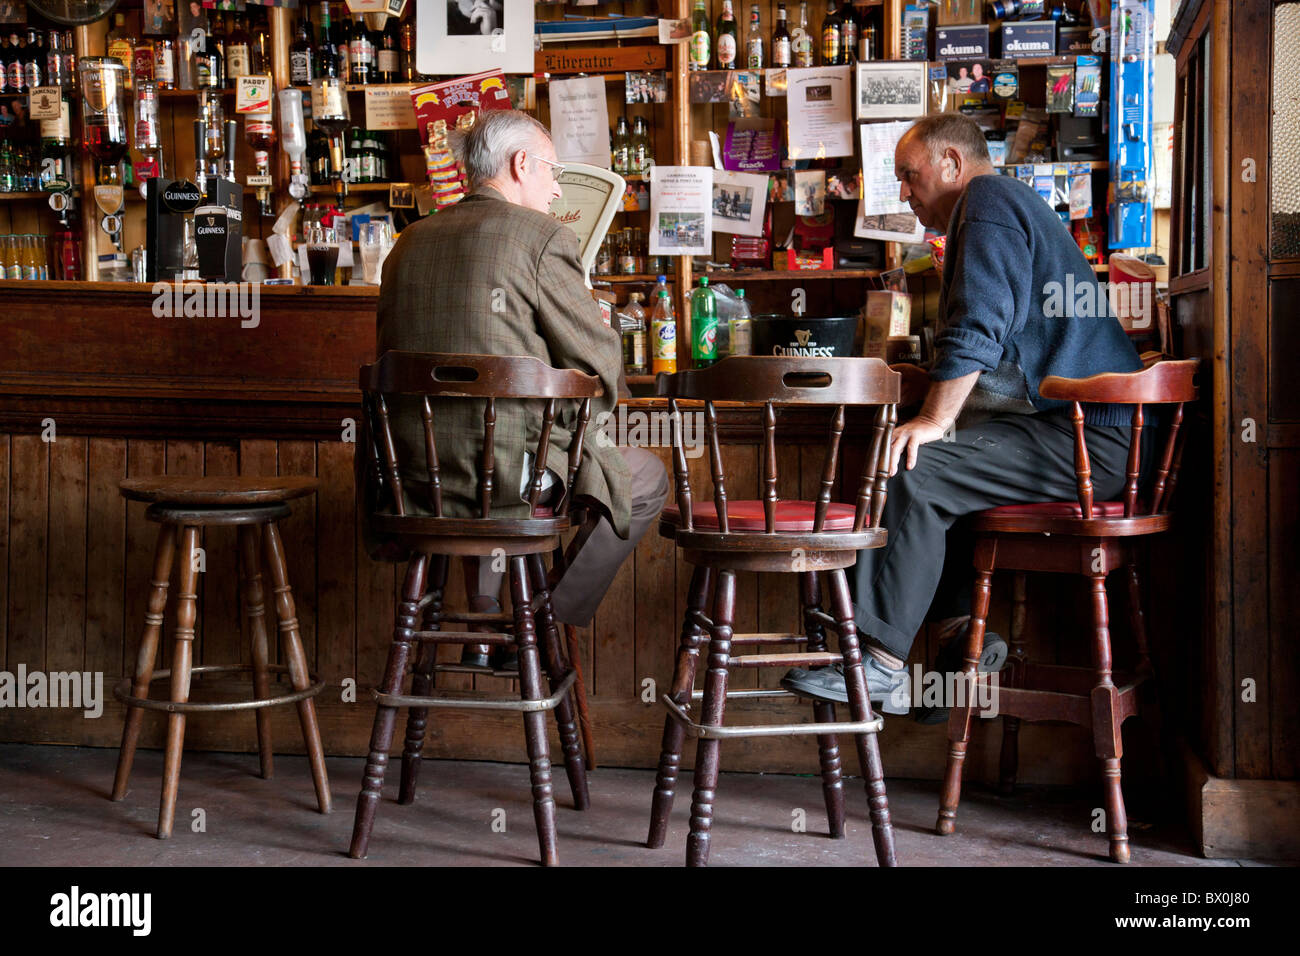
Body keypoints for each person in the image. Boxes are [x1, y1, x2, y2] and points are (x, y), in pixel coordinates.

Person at [781, 113, 1144, 717]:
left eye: (909, 174)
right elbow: (993, 344)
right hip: (1077, 435)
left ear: (951, 163)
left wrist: (929, 420)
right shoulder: (998, 206)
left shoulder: (989, 199)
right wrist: (934, 408)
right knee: (934, 468)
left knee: (913, 467)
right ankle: (958, 643)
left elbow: (978, 329)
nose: (902, 191)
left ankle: (881, 668)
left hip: (1094, 445)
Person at [375, 110, 670, 667]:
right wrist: (599, 343)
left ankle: (486, 625)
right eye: (553, 173)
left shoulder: (406, 244)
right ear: (519, 164)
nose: (558, 189)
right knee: (646, 477)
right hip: (510, 474)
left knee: (478, 462)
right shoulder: (543, 238)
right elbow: (597, 361)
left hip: (415, 477)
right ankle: (541, 618)